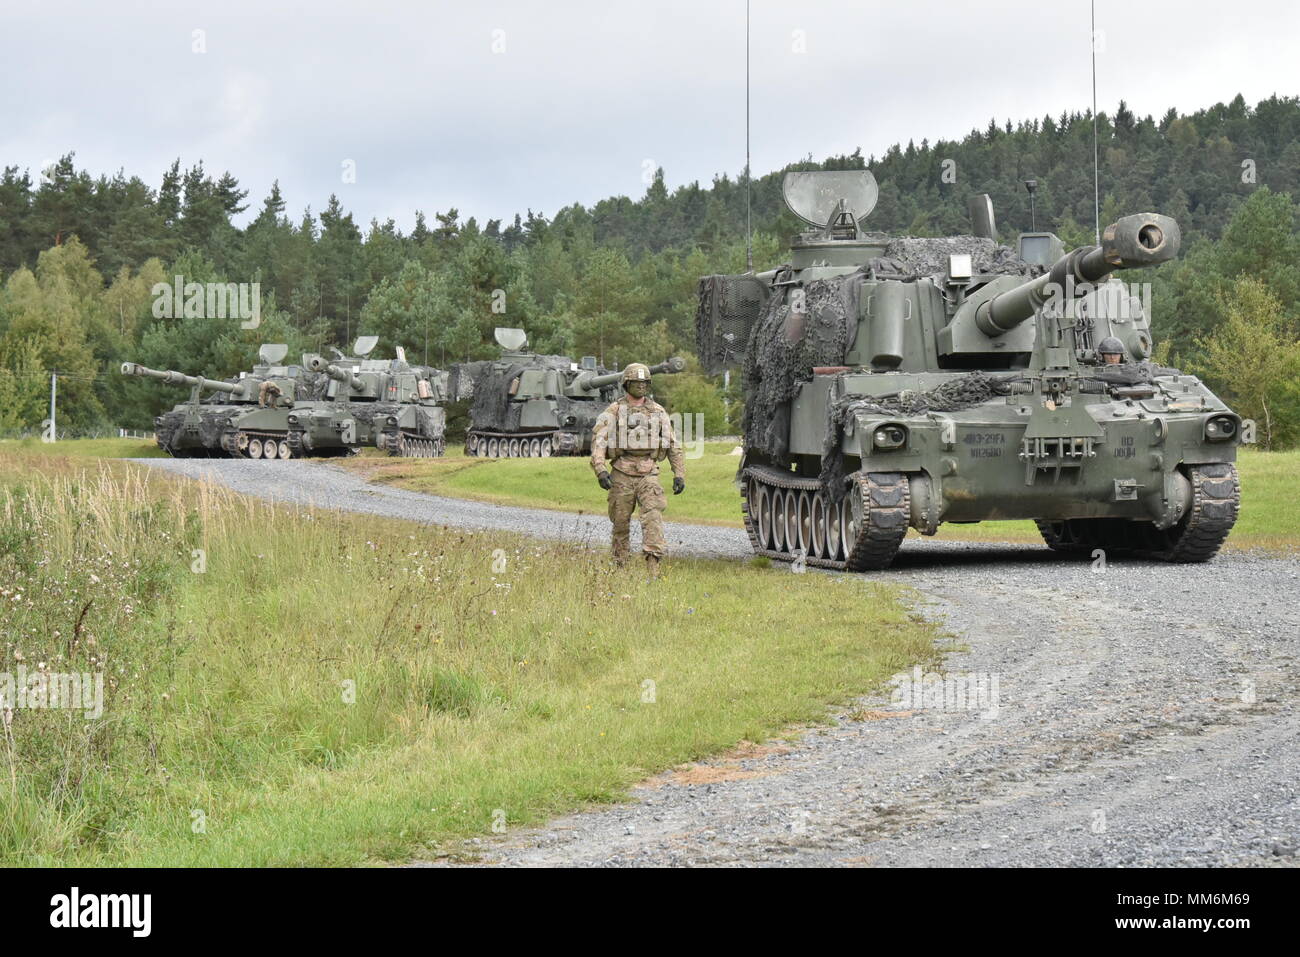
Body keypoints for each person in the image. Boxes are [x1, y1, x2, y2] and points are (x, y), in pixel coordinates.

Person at [590, 362, 685, 578]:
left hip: (649, 472)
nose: (641, 387)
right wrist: (600, 469)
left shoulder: (658, 412)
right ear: (627, 384)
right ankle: (620, 566)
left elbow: (672, 444)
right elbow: (599, 442)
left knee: (652, 519)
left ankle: (653, 568)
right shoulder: (613, 411)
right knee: (620, 522)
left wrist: (679, 474)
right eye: (636, 383)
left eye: (645, 383)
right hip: (622, 473)